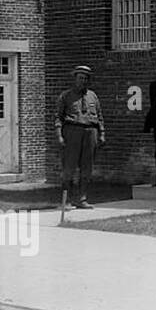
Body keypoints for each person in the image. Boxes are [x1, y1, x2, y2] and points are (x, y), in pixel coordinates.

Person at [55, 65, 105, 210]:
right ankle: (67, 201)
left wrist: (102, 133)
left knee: (86, 168)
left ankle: (82, 199)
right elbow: (58, 117)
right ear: (75, 79)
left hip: (90, 132)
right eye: (80, 78)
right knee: (69, 168)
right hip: (72, 132)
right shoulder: (66, 96)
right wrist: (59, 135)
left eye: (85, 79)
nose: (83, 81)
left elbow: (100, 116)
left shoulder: (93, 96)